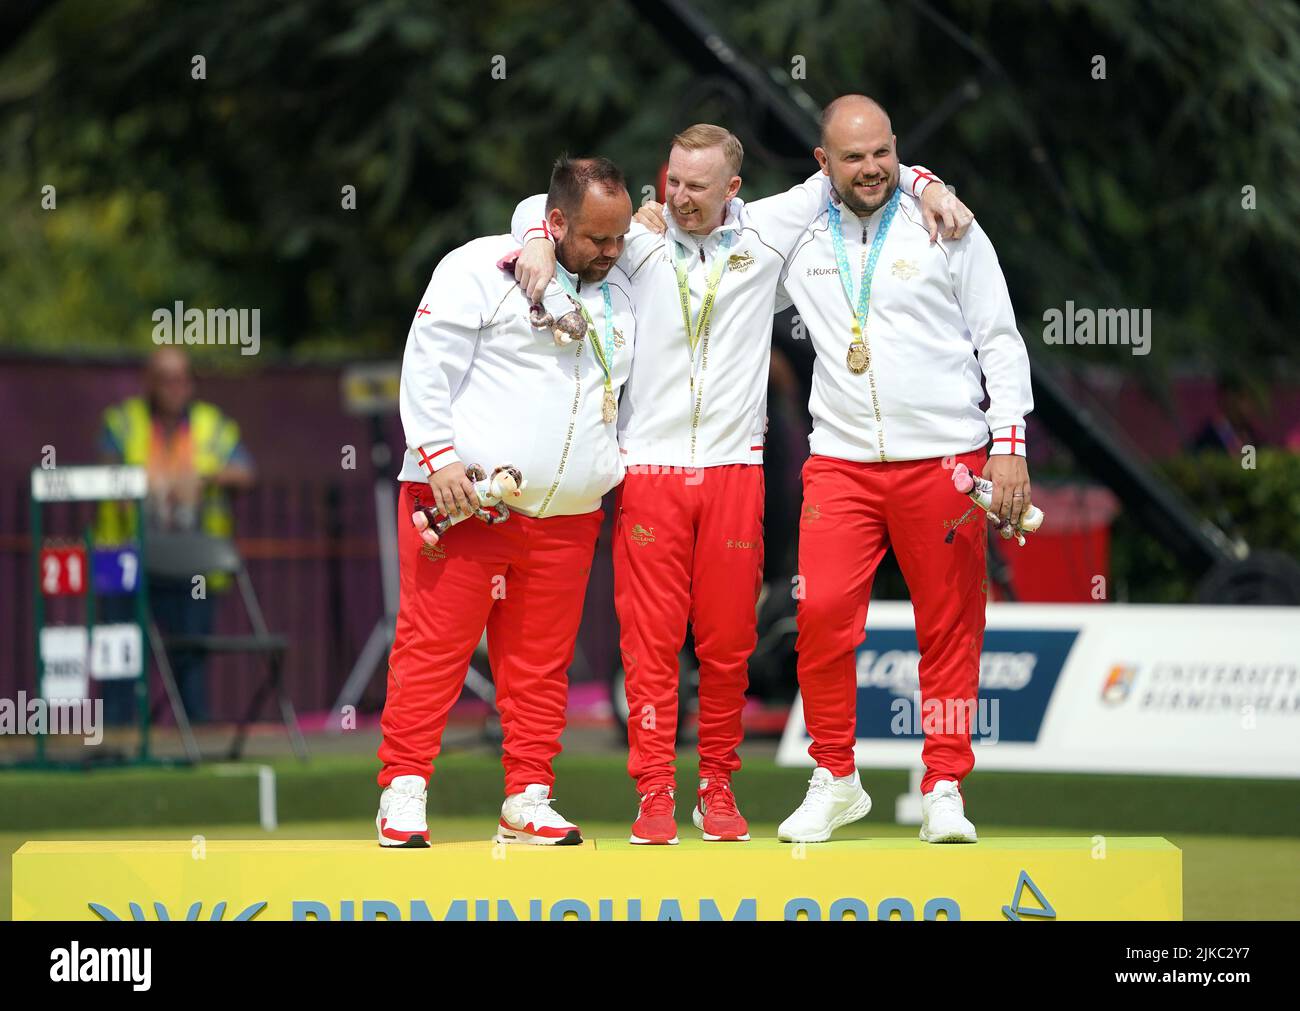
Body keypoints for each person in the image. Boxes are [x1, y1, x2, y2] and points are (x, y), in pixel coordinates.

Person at [511, 124, 972, 843]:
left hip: (735, 469)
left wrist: (929, 185)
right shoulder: (633, 240)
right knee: (651, 643)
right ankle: (656, 790)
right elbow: (547, 213)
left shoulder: (769, 228)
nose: (680, 197)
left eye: (698, 186)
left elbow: (861, 167)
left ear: (733, 188)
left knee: (728, 642)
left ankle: (717, 786)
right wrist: (537, 237)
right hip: (650, 469)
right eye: (673, 181)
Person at [771, 95, 1033, 843]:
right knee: (819, 617)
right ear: (823, 163)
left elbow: (1000, 339)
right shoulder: (792, 229)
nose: (873, 169)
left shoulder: (945, 222)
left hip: (946, 457)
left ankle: (945, 782)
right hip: (842, 462)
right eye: (853, 157)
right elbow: (711, 211)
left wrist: (1008, 445)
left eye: (885, 152)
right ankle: (836, 775)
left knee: (948, 629)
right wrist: (660, 213)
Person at [376, 156, 636, 848]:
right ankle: (403, 786)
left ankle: (527, 795)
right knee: (434, 648)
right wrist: (437, 459)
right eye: (596, 240)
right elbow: (426, 361)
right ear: (554, 224)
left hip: (569, 513)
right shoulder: (478, 268)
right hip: (468, 502)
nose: (612, 253)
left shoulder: (624, 283)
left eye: (620, 237)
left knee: (540, 663)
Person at [95, 347, 255, 725]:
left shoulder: (211, 424)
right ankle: (118, 736)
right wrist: (141, 483)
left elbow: (245, 472)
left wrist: (204, 478)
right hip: (125, 560)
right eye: (166, 379)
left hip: (190, 564)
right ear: (149, 382)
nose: (175, 387)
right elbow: (103, 471)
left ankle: (194, 735)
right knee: (120, 656)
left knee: (190, 661)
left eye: (182, 378)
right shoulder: (123, 421)